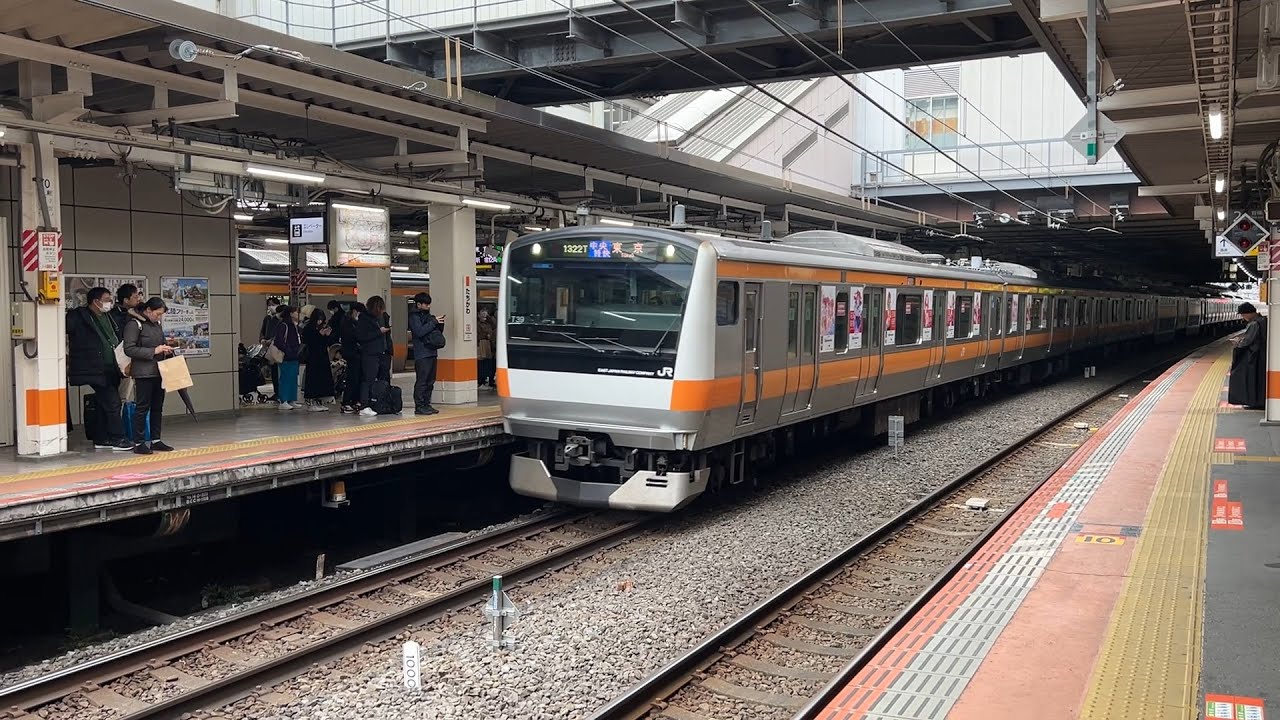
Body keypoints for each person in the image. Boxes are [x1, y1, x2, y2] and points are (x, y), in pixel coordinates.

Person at [67, 287, 131, 450]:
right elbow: (68, 330)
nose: (110, 302)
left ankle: (102, 438)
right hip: (95, 368)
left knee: (105, 404)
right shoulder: (79, 317)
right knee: (113, 403)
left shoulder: (109, 316)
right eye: (107, 299)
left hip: (113, 368)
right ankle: (118, 438)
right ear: (96, 301)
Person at [122, 297, 176, 455]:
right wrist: (154, 351)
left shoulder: (156, 325)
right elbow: (129, 349)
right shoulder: (134, 324)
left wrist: (165, 348)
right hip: (143, 372)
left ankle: (155, 440)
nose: (159, 318)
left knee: (157, 408)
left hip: (159, 371)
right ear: (148, 310)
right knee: (142, 408)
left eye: (161, 315)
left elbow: (161, 342)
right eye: (157, 314)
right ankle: (139, 442)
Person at [408, 292, 446, 414]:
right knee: (422, 380)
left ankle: (426, 403)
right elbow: (419, 332)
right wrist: (433, 322)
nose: (428, 307)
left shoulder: (429, 317)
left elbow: (434, 332)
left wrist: (439, 324)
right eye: (426, 304)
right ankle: (419, 406)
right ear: (418, 304)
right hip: (421, 353)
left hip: (432, 351)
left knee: (430, 380)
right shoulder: (414, 317)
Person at [356, 297, 391, 417]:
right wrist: (379, 332)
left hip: (378, 353)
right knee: (368, 379)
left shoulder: (376, 319)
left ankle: (373, 402)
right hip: (369, 354)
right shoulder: (364, 319)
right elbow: (361, 337)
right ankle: (364, 405)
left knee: (375, 379)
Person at [1228, 302, 1267, 409]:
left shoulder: (1254, 324)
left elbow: (1247, 341)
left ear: (1249, 313)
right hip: (1261, 356)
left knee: (1245, 376)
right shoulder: (1263, 320)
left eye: (1243, 314)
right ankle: (1258, 401)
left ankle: (1253, 401)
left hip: (1254, 357)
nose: (1243, 317)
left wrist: (1237, 342)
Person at [301, 307, 335, 411]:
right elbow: (308, 341)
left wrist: (326, 336)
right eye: (318, 319)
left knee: (322, 379)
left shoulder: (321, 327)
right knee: (313, 379)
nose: (320, 321)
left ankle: (319, 400)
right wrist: (318, 334)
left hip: (322, 357)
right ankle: (311, 401)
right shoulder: (308, 328)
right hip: (312, 357)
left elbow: (324, 343)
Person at [272, 304, 303, 409]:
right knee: (285, 378)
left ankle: (291, 399)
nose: (297, 314)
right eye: (295, 312)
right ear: (290, 313)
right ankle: (283, 400)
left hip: (294, 355)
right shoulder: (284, 325)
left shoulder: (293, 325)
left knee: (293, 378)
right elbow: (279, 341)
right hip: (286, 356)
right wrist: (288, 351)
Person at [339, 302, 365, 414]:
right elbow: (353, 337)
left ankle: (354, 400)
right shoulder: (348, 323)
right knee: (352, 379)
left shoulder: (351, 322)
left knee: (357, 378)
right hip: (352, 354)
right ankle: (346, 402)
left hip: (355, 354)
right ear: (355, 311)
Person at [259, 297, 282, 402]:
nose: (271, 306)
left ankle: (281, 393)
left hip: (277, 347)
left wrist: (272, 340)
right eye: (269, 304)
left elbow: (280, 334)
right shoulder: (267, 319)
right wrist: (263, 339)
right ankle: (276, 392)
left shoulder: (280, 319)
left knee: (279, 371)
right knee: (273, 371)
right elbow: (262, 331)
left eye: (273, 304)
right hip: (268, 348)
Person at [477, 308, 496, 389]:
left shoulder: (489, 324)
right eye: (482, 313)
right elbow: (478, 334)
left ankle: (488, 381)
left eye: (486, 313)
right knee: (482, 363)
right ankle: (481, 381)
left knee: (489, 363)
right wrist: (485, 335)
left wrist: (488, 317)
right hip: (482, 344)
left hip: (489, 345)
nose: (484, 315)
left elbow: (495, 325)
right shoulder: (477, 324)